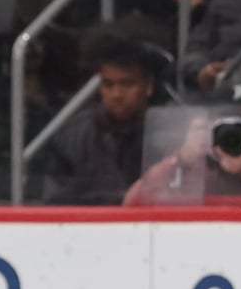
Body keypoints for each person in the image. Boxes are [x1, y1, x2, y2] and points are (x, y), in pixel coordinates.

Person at [123, 79, 241, 206]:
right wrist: (181, 161)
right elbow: (133, 201)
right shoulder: (200, 155)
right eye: (224, 121)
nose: (232, 132)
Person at [37, 26, 158, 202]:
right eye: (108, 84)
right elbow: (54, 201)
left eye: (127, 84)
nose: (116, 94)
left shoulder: (167, 134)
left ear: (148, 85)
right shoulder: (72, 136)